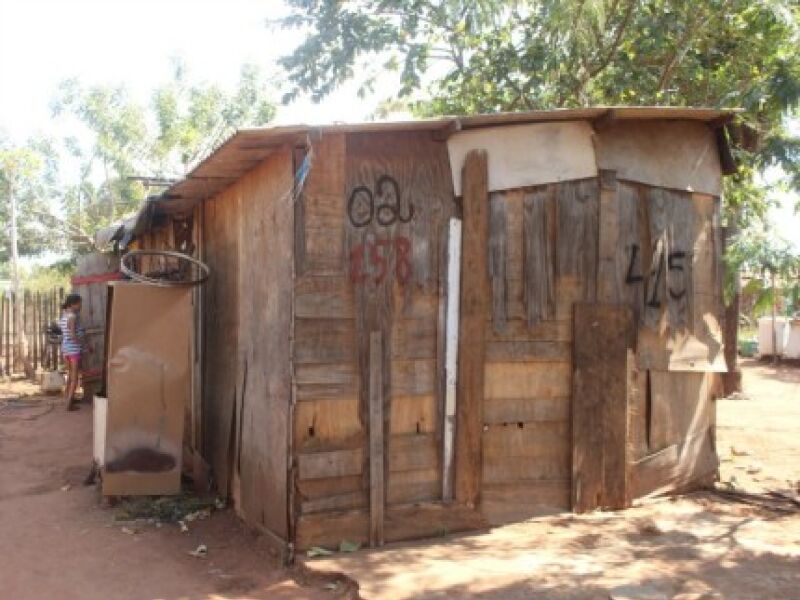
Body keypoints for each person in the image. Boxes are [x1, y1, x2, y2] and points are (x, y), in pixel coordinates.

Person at [60, 293, 87, 411]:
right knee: (74, 377)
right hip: (73, 349)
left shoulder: (64, 315)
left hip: (65, 349)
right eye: (79, 303)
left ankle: (68, 398)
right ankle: (69, 404)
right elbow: (72, 335)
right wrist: (84, 346)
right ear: (73, 304)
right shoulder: (72, 316)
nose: (81, 305)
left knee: (70, 375)